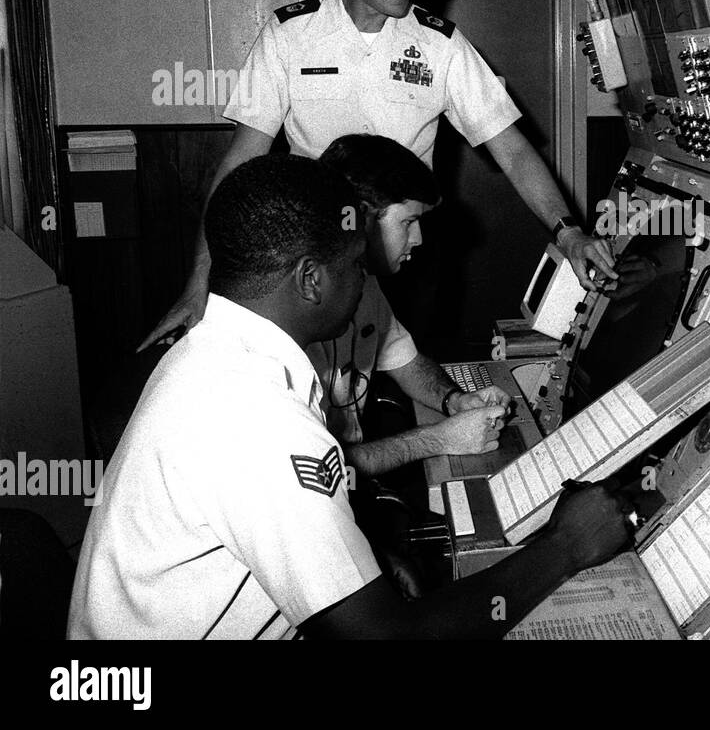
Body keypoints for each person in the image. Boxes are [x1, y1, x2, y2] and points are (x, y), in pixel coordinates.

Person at [69, 155, 631, 639]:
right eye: (357, 265)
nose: (366, 282)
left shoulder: (213, 354)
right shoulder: (259, 420)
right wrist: (568, 545)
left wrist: (362, 561)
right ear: (311, 280)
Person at [139, 0, 616, 351]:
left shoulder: (439, 44)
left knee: (419, 376)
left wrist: (568, 232)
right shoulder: (289, 36)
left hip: (408, 254)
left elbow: (511, 152)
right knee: (329, 397)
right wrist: (201, 278)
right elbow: (239, 168)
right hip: (320, 262)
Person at [311, 133, 511, 477]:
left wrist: (456, 401)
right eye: (407, 222)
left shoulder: (364, 281)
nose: (418, 239)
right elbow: (324, 469)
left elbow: (406, 363)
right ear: (362, 218)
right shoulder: (299, 311)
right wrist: (439, 439)